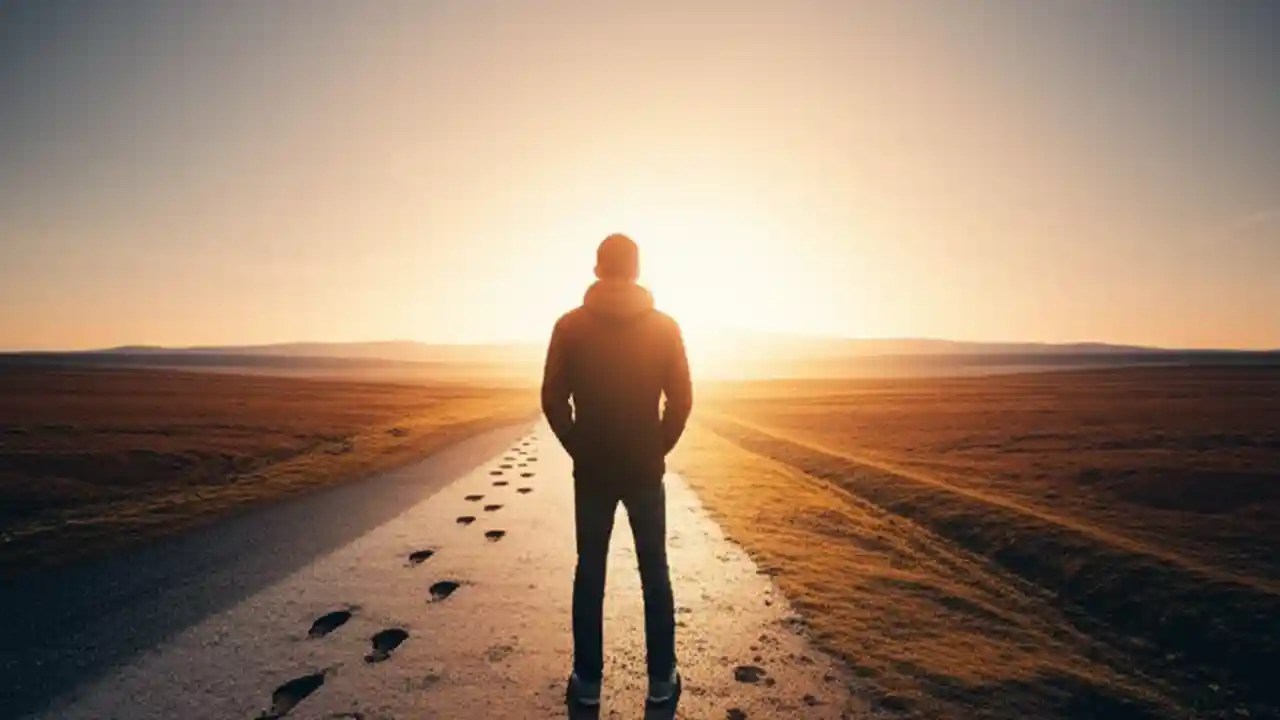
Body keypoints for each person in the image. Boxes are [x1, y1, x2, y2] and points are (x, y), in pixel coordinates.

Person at [541, 233, 693, 708]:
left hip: (593, 472)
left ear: (597, 269)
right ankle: (662, 680)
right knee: (655, 572)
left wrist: (579, 447)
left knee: (590, 573)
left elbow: (552, 399)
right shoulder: (665, 327)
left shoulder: (569, 326)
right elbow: (682, 400)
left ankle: (587, 684)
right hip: (644, 469)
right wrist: (656, 446)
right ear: (637, 269)